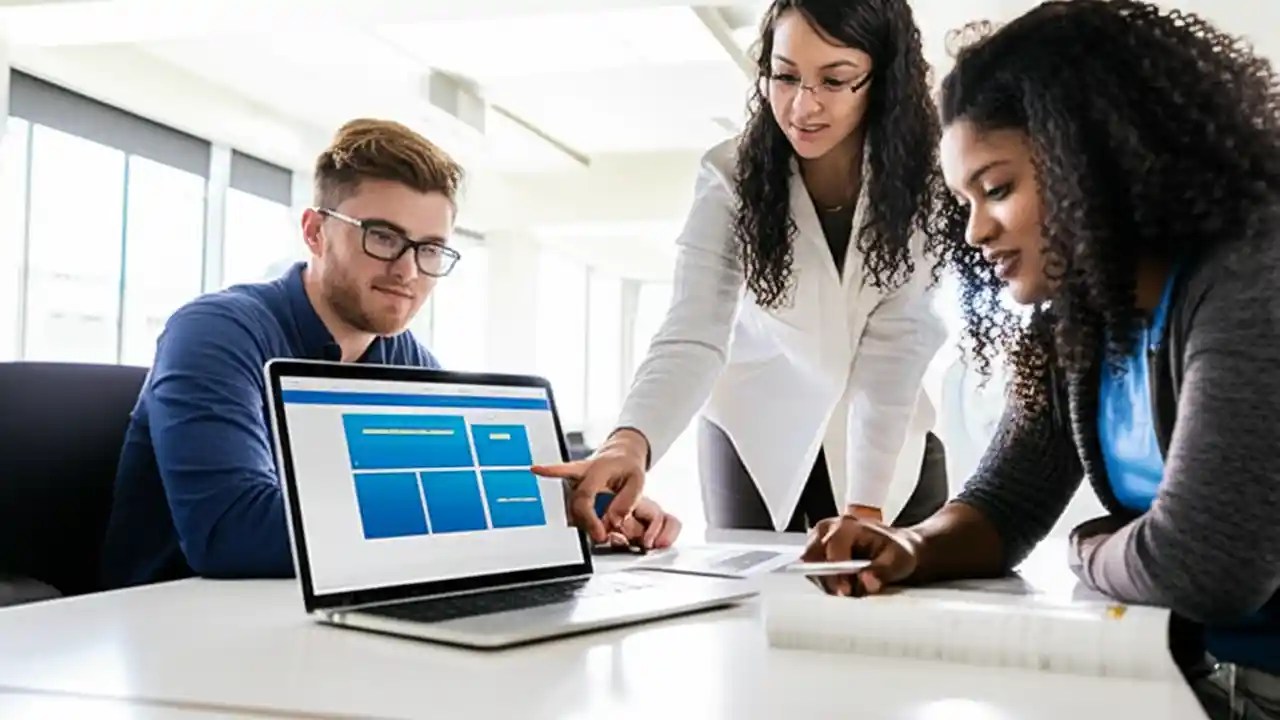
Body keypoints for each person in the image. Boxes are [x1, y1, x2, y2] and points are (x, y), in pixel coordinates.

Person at [802, 2, 1280, 717]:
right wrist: (912, 543)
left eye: (997, 189)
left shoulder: (1254, 275)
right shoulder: (1079, 323)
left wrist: (1086, 547)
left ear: (1099, 158)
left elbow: (1206, 567)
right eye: (965, 199)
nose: (976, 229)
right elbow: (1007, 503)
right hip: (1194, 678)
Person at [100, 119, 680, 590]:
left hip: (332, 614)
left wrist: (589, 508)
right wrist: (476, 517)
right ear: (314, 232)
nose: (406, 270)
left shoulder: (404, 359)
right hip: (181, 624)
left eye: (430, 249)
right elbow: (232, 531)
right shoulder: (217, 333)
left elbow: (474, 484)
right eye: (382, 237)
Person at [536, 0, 963, 545]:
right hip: (754, 428)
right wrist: (629, 442)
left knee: (893, 608)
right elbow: (694, 330)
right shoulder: (730, 174)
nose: (802, 106)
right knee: (749, 601)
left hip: (888, 434)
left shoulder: (924, 182)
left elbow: (897, 344)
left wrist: (865, 505)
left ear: (884, 78)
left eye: (834, 80)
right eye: (784, 76)